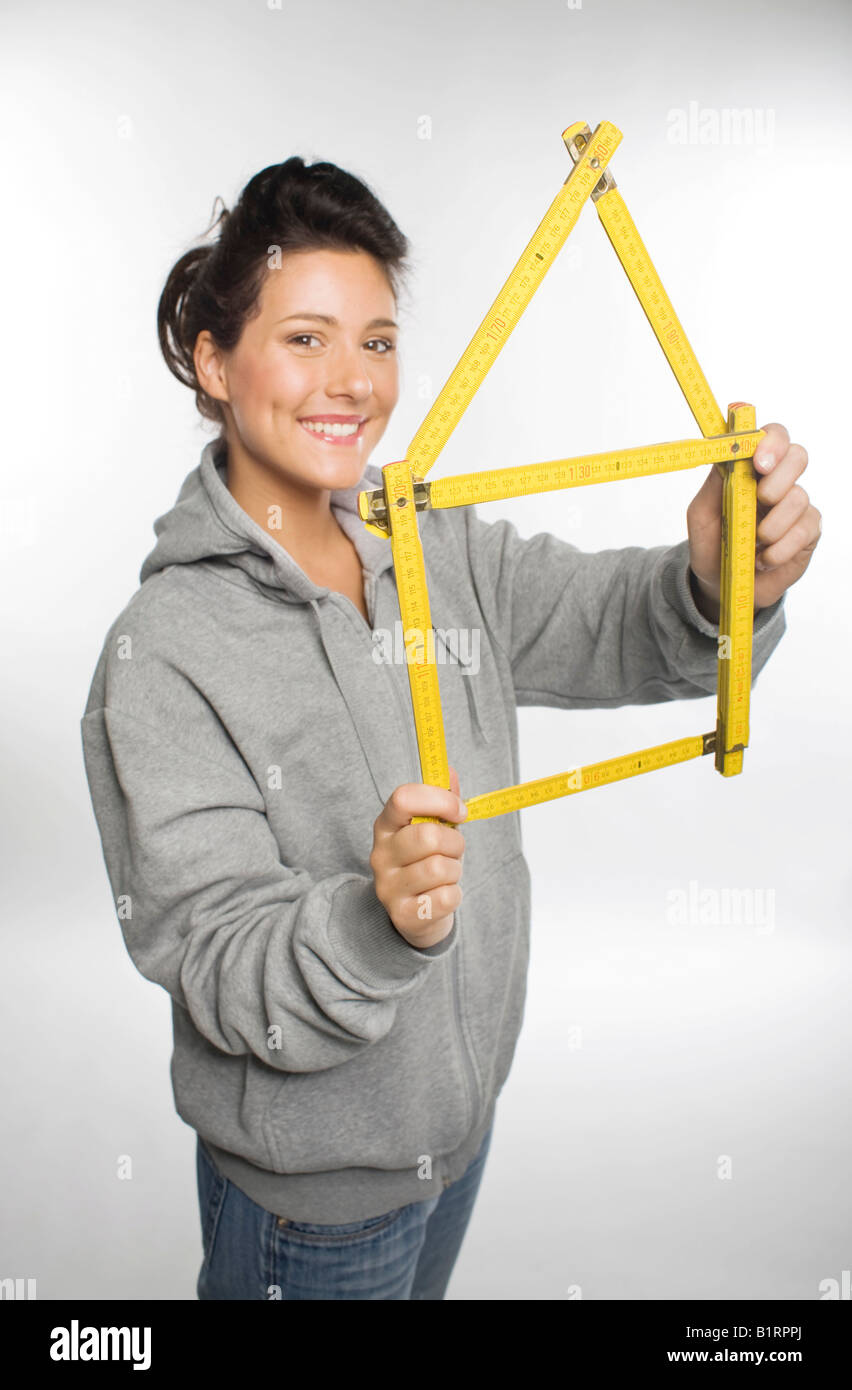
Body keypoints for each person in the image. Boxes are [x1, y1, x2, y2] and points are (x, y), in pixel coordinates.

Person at [79, 156, 820, 1301]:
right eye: (307, 338)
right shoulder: (163, 649)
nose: (354, 382)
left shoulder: (436, 548)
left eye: (377, 341)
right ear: (218, 363)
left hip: (458, 1145)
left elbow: (620, 626)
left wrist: (726, 585)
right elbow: (217, 962)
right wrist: (377, 921)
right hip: (310, 1205)